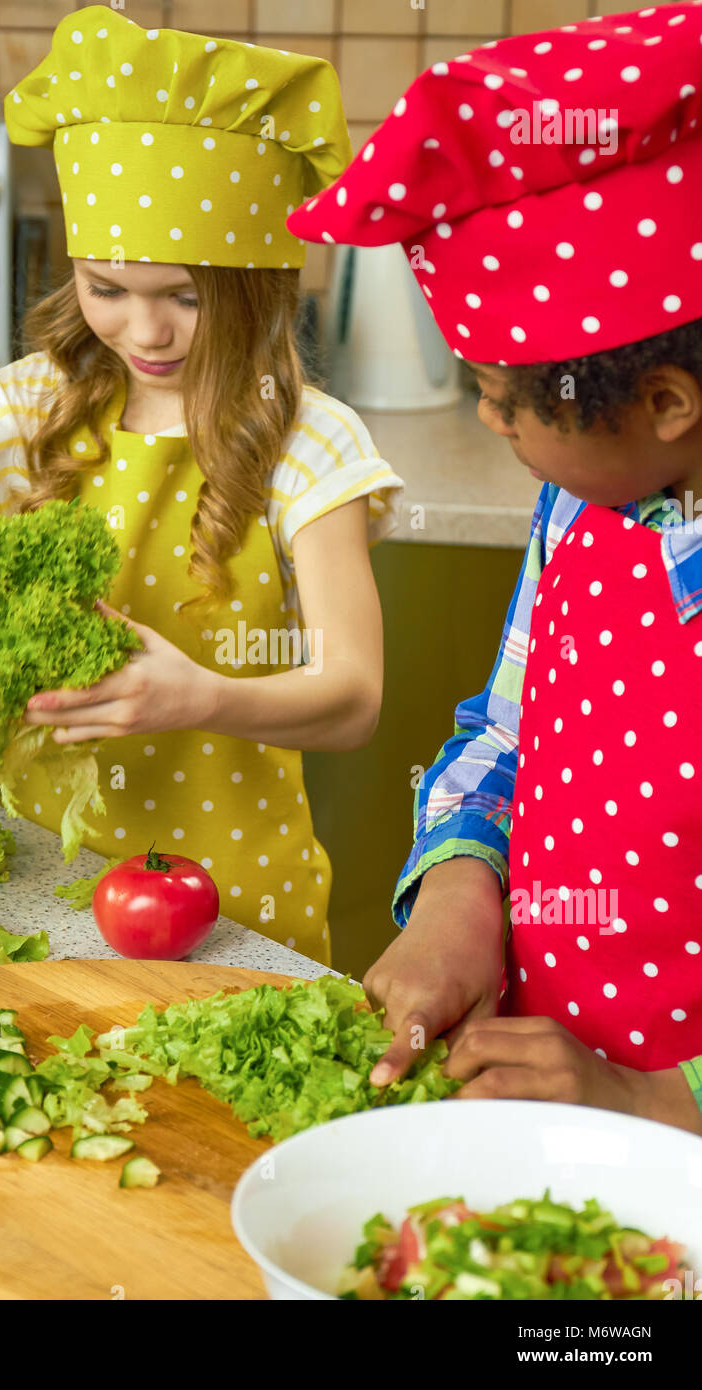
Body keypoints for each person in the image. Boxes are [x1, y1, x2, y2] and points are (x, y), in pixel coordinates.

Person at [0, 8, 404, 966]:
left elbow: (353, 697)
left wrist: (199, 697)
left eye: (185, 298)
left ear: (256, 286)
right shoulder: (35, 401)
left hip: (231, 910)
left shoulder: (307, 437)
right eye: (107, 288)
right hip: (38, 884)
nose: (145, 334)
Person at [288, 1, 702, 1127]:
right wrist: (457, 899)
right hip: (534, 1110)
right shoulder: (583, 499)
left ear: (663, 404)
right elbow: (510, 732)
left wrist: (648, 1096)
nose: (482, 417)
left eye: (508, 401)